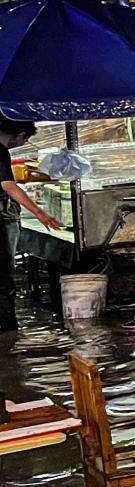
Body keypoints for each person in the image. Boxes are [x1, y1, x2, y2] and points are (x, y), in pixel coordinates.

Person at [0, 118, 60, 332]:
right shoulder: (0, 151)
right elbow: (8, 186)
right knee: (3, 278)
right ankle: (8, 329)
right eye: (25, 139)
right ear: (19, 135)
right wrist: (40, 213)